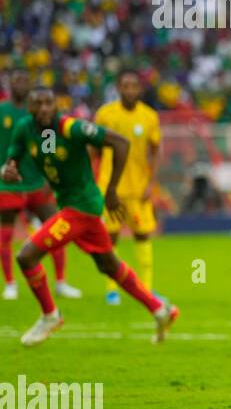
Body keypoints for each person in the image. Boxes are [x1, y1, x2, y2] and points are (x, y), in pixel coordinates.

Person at [3, 88, 178, 346]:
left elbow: (120, 143)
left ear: (57, 105)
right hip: (71, 205)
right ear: (28, 108)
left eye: (48, 104)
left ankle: (50, 315)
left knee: (26, 256)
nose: (43, 109)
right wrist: (10, 169)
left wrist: (111, 190)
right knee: (108, 264)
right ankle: (160, 309)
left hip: (82, 207)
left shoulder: (71, 128)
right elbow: (18, 156)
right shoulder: (27, 128)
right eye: (37, 104)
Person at [0, 69, 80, 301]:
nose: (21, 84)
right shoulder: (2, 111)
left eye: (25, 80)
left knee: (56, 229)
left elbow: (49, 149)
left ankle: (61, 282)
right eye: (17, 80)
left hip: (37, 182)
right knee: (5, 236)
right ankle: (10, 284)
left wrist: (50, 176)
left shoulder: (39, 114)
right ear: (10, 84)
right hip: (8, 184)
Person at [94, 68, 162, 302]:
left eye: (134, 86)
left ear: (140, 89)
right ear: (118, 87)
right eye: (125, 86)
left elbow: (155, 152)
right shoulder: (105, 115)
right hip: (110, 189)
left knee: (143, 235)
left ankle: (147, 288)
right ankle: (111, 289)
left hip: (138, 189)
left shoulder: (149, 116)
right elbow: (94, 151)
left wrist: (150, 184)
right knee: (110, 239)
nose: (130, 90)